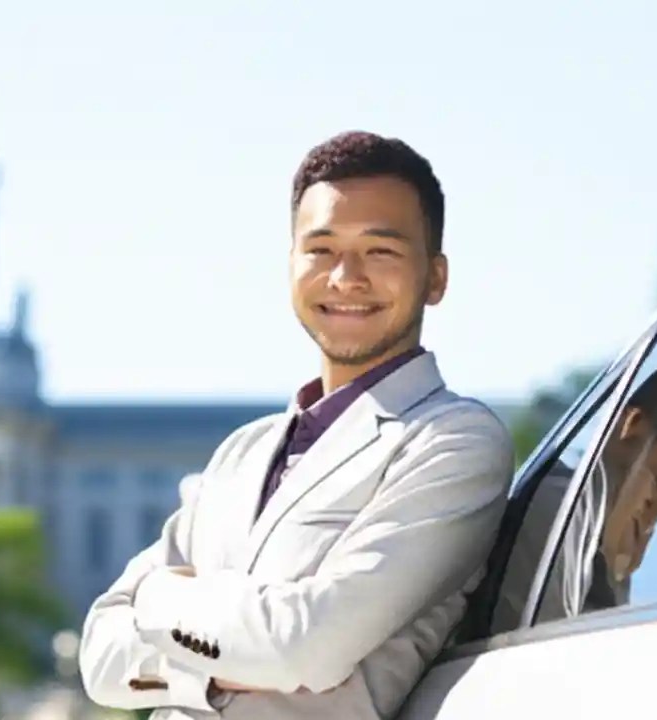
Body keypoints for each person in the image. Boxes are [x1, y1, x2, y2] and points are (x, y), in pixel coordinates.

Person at [78, 131, 514, 719]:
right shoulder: (241, 452)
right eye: (321, 249)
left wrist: (158, 598)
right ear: (291, 265)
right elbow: (99, 656)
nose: (345, 278)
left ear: (435, 278)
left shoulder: (453, 442)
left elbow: (305, 647)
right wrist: (211, 676)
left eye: (381, 251)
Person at [494, 348, 657, 629]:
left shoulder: (596, 557)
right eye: (650, 498)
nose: (642, 534)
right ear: (631, 424)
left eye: (654, 525)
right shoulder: (560, 510)